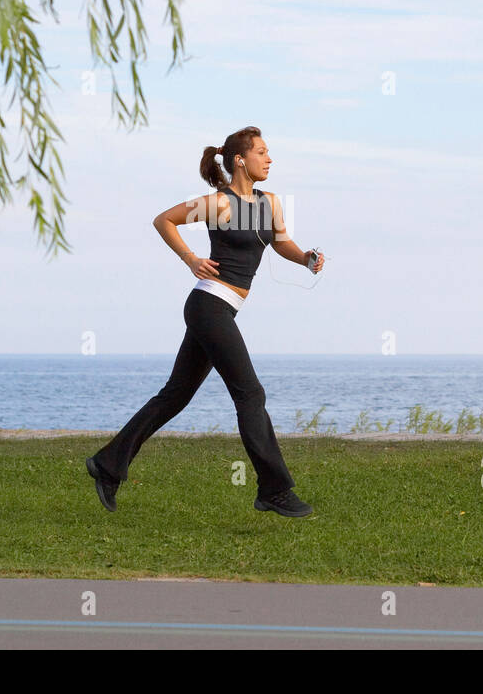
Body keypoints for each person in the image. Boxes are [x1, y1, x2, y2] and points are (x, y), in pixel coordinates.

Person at [86, 126, 326, 517]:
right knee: (250, 394)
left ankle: (108, 464)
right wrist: (190, 259)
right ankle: (274, 490)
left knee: (175, 395)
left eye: (269, 153)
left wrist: (304, 259)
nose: (269, 159)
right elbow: (164, 220)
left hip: (222, 310)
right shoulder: (219, 203)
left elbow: (280, 242)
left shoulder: (272, 204)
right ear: (239, 160)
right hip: (208, 307)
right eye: (262, 152)